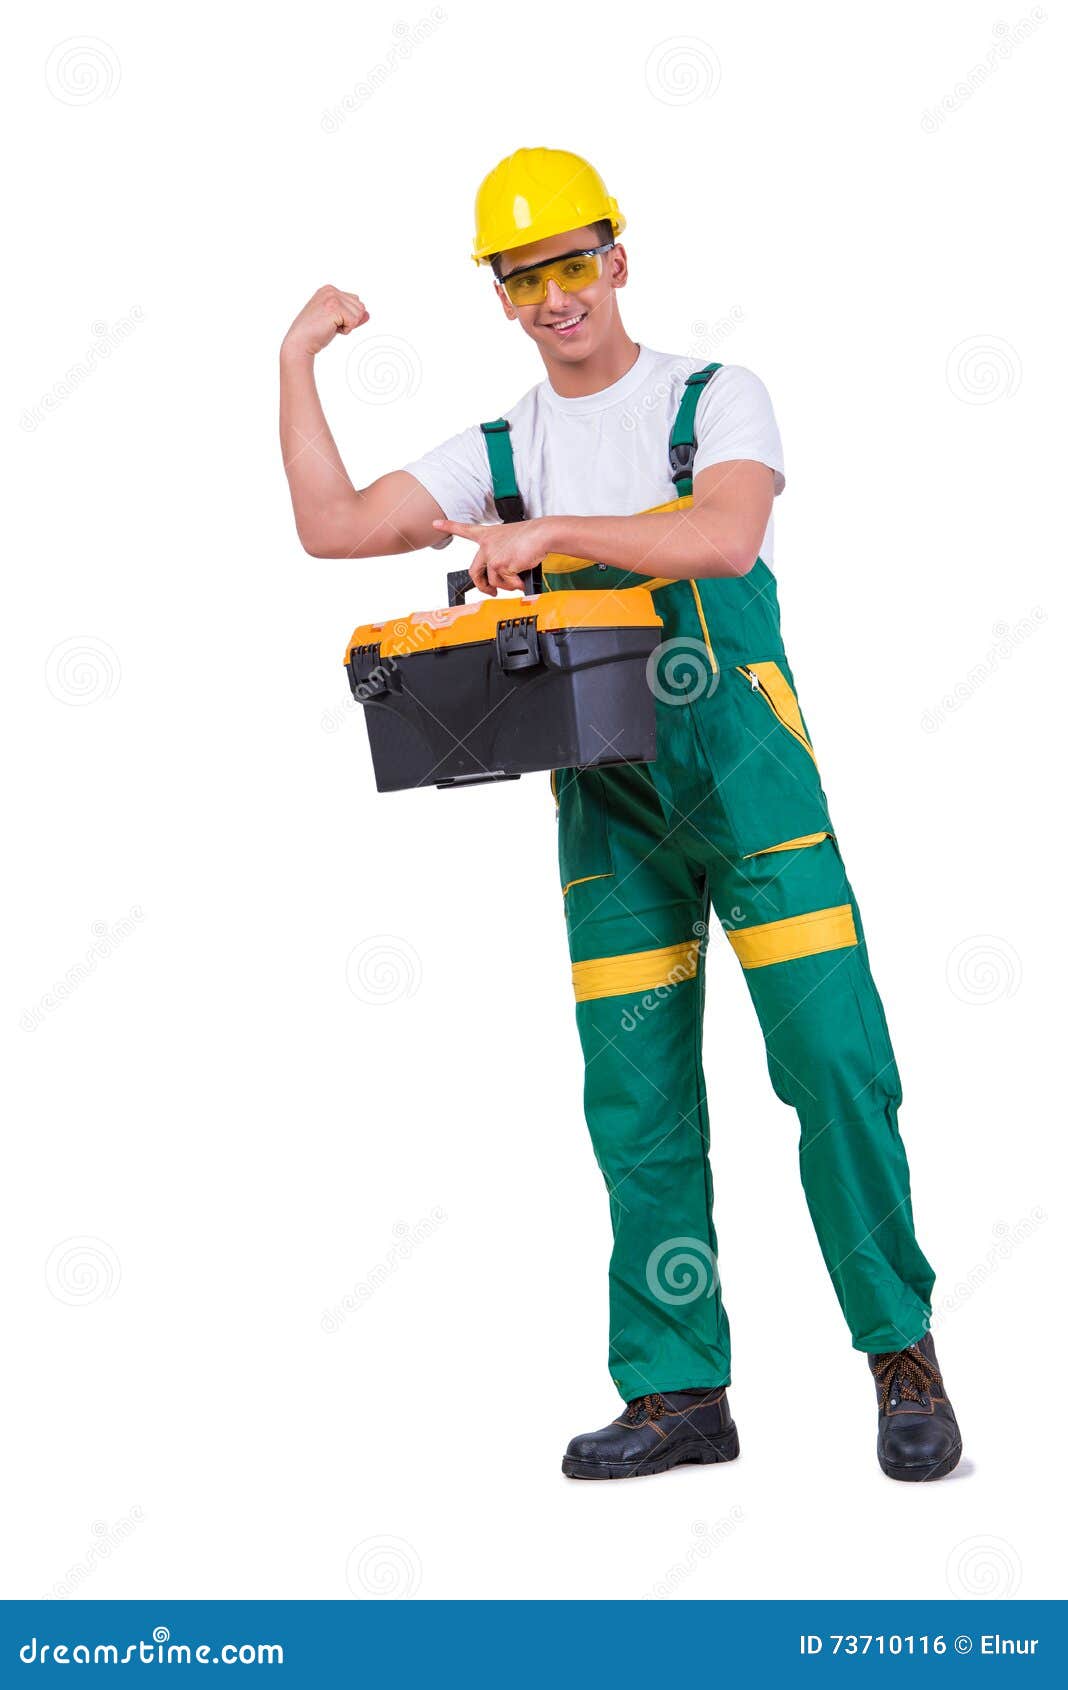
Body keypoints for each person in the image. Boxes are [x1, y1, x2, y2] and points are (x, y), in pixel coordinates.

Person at [279, 147, 962, 1484]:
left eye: (572, 261)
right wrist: (297, 358)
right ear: (502, 296)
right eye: (524, 274)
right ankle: (677, 1389)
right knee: (636, 1103)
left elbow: (724, 539)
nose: (555, 294)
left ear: (618, 257)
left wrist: (548, 539)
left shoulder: (714, 399)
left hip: (755, 794)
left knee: (835, 1071)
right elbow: (333, 523)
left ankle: (904, 1357)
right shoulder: (498, 448)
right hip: (613, 816)